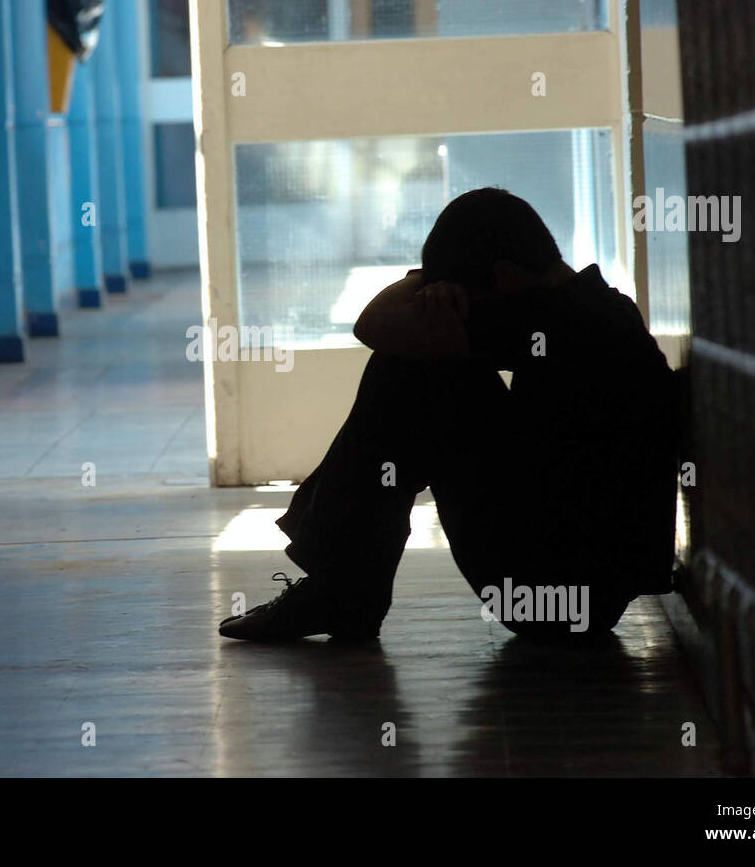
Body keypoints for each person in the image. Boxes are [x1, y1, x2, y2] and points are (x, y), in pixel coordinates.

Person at [219, 188, 677, 642]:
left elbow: (373, 324)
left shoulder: (555, 320)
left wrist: (423, 285)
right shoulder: (597, 308)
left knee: (409, 367)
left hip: (553, 597)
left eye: (464, 295)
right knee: (422, 358)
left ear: (505, 276)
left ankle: (341, 590)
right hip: (585, 593)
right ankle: (342, 589)